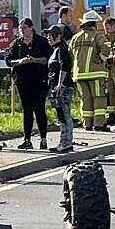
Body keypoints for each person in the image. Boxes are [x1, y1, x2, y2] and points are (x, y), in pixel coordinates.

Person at [4, 17, 52, 149]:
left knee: (39, 108)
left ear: (31, 28)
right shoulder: (17, 43)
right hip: (22, 80)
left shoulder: (41, 42)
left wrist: (35, 60)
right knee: (27, 110)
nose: (22, 31)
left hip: (40, 80)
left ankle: (43, 139)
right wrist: (20, 61)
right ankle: (27, 139)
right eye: (20, 29)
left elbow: (49, 58)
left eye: (24, 28)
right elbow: (8, 61)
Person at [69, 10, 112, 130]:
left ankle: (87, 124)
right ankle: (98, 124)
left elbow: (70, 54)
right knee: (99, 98)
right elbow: (106, 46)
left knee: (85, 99)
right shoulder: (97, 36)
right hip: (96, 74)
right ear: (94, 24)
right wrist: (102, 58)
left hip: (79, 75)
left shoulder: (75, 38)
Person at [46, 23, 75, 152]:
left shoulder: (61, 49)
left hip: (63, 88)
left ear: (57, 36)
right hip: (57, 88)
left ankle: (66, 142)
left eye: (50, 35)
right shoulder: (56, 49)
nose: (48, 37)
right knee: (61, 115)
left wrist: (60, 84)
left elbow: (65, 67)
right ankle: (64, 141)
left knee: (64, 115)